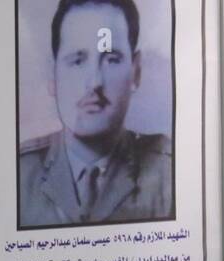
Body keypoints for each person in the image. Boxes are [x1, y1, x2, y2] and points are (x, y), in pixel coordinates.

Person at [18, 0, 174, 227]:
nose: (95, 82)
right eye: (78, 61)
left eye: (112, 59)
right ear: (54, 75)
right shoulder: (19, 175)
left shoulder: (167, 174)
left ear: (136, 71)